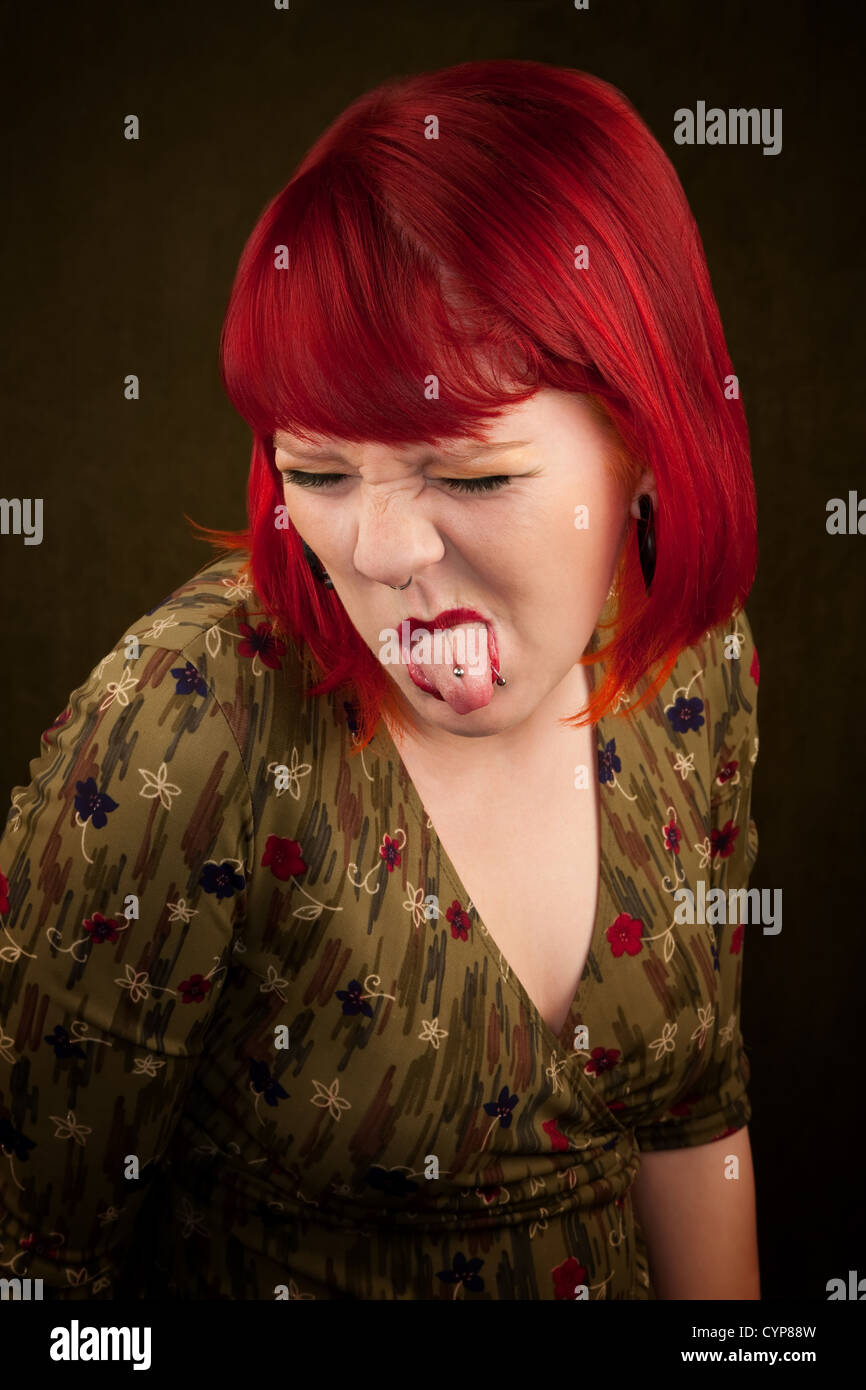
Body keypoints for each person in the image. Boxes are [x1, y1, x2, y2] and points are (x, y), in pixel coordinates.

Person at [0, 58, 760, 1300]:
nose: (380, 552)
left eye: (470, 478)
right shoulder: (186, 729)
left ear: (648, 441)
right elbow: (37, 1268)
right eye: (319, 469)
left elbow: (694, 1119)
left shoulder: (694, 663)